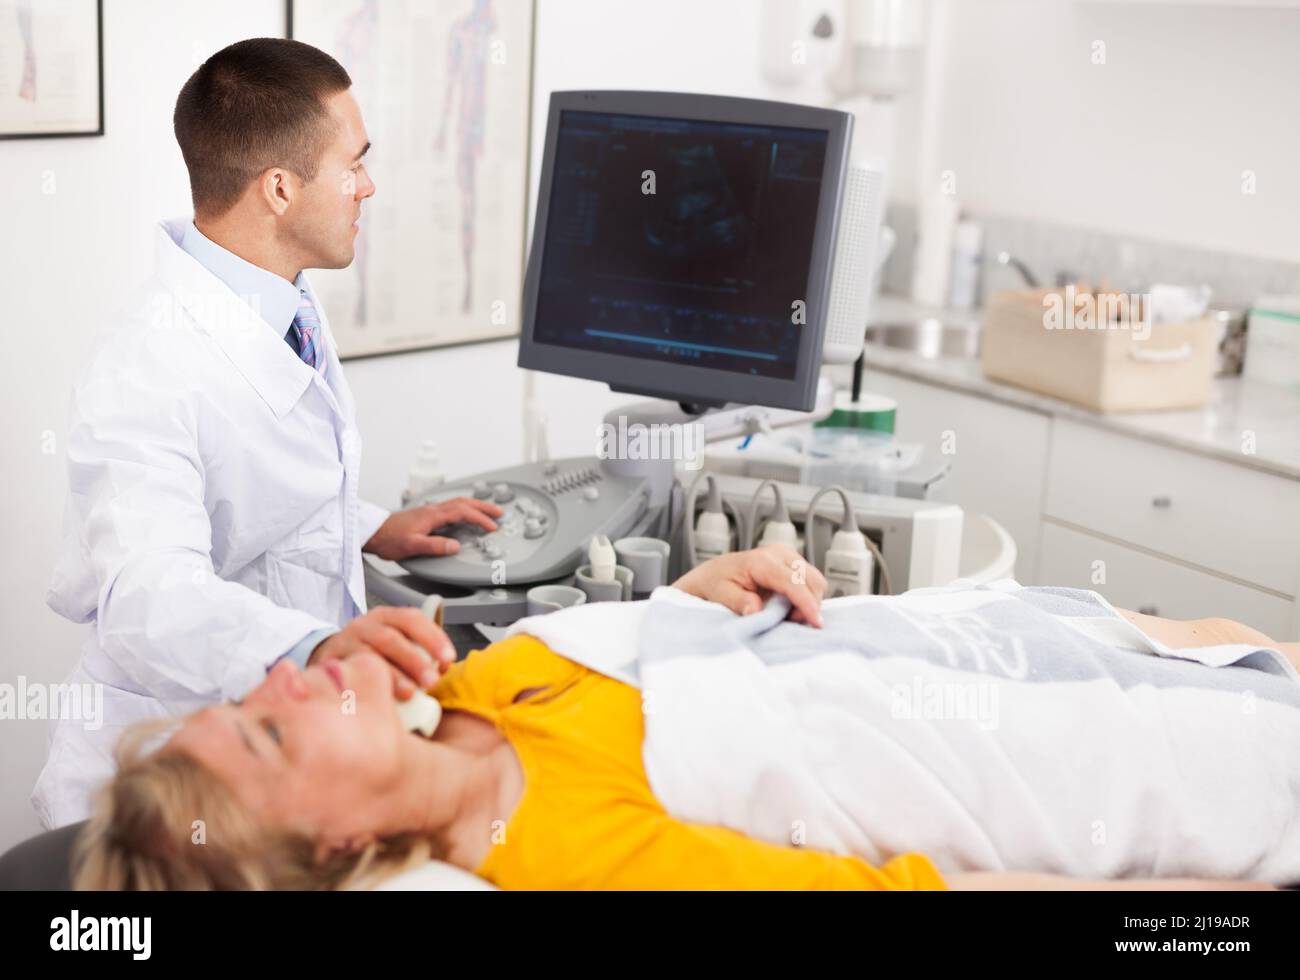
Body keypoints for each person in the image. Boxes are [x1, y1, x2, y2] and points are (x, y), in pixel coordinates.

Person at [72, 546, 1284, 891]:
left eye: (248, 698)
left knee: (1236, 645)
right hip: (1045, 730)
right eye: (273, 735)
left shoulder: (468, 685)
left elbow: (639, 648)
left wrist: (696, 597)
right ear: (335, 849)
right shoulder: (574, 852)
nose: (287, 676)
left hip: (1008, 634)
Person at [34, 38, 497, 830]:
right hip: (167, 782)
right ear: (280, 189)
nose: (368, 186)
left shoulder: (276, 300)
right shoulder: (144, 369)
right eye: (354, 164)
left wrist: (375, 526)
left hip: (281, 756)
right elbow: (149, 595)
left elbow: (255, 489)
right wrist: (316, 648)